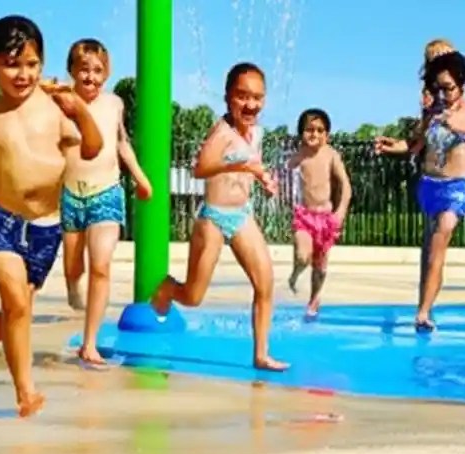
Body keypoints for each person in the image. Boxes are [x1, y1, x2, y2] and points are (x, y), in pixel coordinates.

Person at [0, 15, 102, 416]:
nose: (23, 73)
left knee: (18, 311)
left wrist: (80, 109)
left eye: (31, 64)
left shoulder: (56, 109)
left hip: (46, 228)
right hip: (0, 221)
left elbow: (93, 149)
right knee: (15, 302)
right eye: (11, 64)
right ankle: (25, 391)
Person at [150, 63, 287, 372]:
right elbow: (200, 168)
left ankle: (262, 354)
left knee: (265, 282)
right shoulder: (221, 132)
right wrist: (239, 167)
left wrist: (265, 179)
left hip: (242, 215)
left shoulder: (256, 132)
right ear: (228, 98)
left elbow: (252, 166)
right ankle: (169, 288)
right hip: (212, 218)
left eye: (257, 97)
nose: (250, 104)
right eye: (242, 96)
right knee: (194, 296)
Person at [375, 50, 465, 332]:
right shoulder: (432, 113)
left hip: (457, 188)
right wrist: (389, 146)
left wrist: (464, 131)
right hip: (429, 186)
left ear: (464, 86)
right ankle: (426, 306)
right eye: (438, 88)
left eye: (449, 88)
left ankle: (423, 312)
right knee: (434, 253)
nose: (443, 94)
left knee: (439, 241)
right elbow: (414, 145)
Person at [59, 38, 153, 367]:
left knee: (101, 266)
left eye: (98, 71)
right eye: (83, 70)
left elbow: (122, 144)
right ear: (71, 70)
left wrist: (140, 178)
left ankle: (90, 343)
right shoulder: (62, 102)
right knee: (75, 264)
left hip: (106, 192)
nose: (91, 77)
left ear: (107, 73)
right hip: (71, 194)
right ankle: (72, 283)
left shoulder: (113, 105)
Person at [285, 108, 351, 319]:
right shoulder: (298, 157)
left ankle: (314, 299)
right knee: (303, 255)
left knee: (320, 266)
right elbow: (281, 174)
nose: (314, 134)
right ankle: (295, 274)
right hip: (304, 216)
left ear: (327, 134)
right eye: (309, 130)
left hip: (326, 218)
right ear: (301, 133)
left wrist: (341, 210)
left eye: (320, 130)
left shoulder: (331, 155)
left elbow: (346, 185)